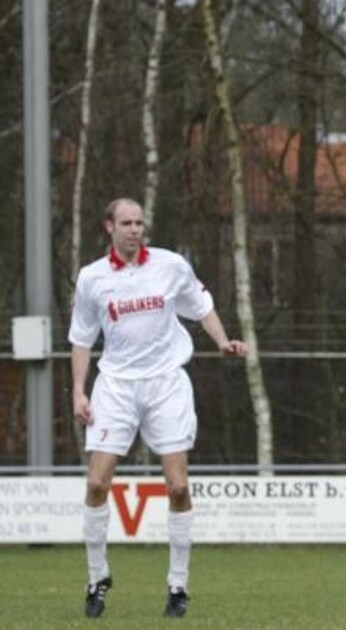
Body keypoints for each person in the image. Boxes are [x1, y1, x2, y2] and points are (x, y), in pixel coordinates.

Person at [69, 198, 247, 619]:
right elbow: (81, 338)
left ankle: (178, 585)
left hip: (167, 384)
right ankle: (97, 577)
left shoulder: (171, 266)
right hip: (116, 386)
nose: (135, 229)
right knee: (96, 483)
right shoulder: (92, 278)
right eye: (126, 223)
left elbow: (202, 306)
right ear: (109, 226)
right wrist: (78, 391)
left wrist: (222, 341)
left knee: (178, 487)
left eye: (139, 223)